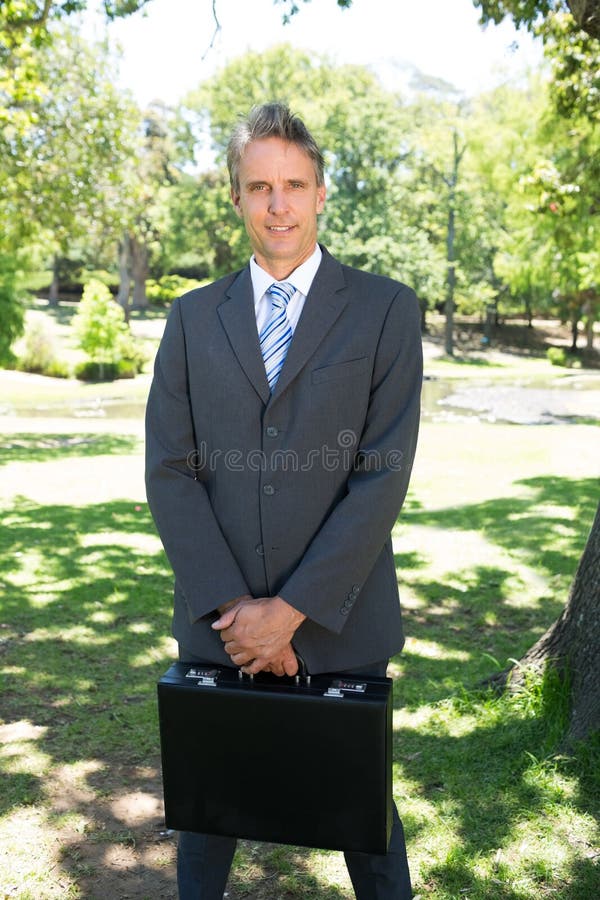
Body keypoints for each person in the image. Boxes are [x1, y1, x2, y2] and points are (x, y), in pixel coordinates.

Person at [145, 102, 422, 900]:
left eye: (293, 185)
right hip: (220, 630)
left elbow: (382, 474)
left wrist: (291, 612)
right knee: (204, 830)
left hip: (341, 623)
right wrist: (242, 614)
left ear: (321, 192)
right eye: (259, 186)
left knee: (367, 829)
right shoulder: (193, 319)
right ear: (235, 197)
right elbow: (170, 469)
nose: (278, 205)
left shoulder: (385, 309)